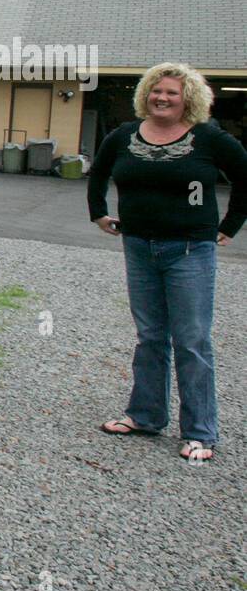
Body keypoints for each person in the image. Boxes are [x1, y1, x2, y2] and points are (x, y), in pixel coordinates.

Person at [90, 62, 247, 463]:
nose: (162, 97)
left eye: (172, 93)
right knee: (150, 337)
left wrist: (230, 224)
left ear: (188, 99)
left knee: (192, 340)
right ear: (146, 94)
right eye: (156, 91)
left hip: (191, 250)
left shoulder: (209, 139)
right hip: (139, 247)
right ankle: (145, 416)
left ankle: (200, 433)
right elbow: (99, 171)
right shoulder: (124, 135)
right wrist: (98, 211)